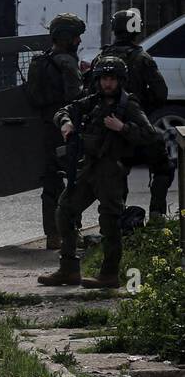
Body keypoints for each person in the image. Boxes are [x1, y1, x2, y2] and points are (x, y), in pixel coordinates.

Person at [39, 56, 157, 289]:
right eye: (104, 78)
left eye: (112, 79)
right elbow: (64, 110)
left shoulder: (128, 105)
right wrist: (65, 122)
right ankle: (68, 269)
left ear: (120, 81)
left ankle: (109, 274)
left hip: (111, 169)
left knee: (110, 222)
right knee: (65, 210)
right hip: (89, 167)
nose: (108, 84)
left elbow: (150, 134)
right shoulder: (92, 101)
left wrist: (122, 127)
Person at [88, 10, 173, 219]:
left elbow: (89, 94)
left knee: (117, 172)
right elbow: (161, 94)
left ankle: (118, 218)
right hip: (137, 129)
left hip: (107, 131)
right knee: (164, 167)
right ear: (137, 29)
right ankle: (156, 214)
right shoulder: (142, 58)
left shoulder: (101, 58)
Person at [24, 13, 85, 248]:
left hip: (47, 129)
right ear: (66, 37)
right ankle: (71, 232)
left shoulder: (40, 61)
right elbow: (76, 97)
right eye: (76, 37)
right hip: (67, 129)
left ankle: (52, 235)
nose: (79, 41)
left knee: (51, 184)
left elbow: (34, 97)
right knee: (73, 183)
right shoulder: (67, 62)